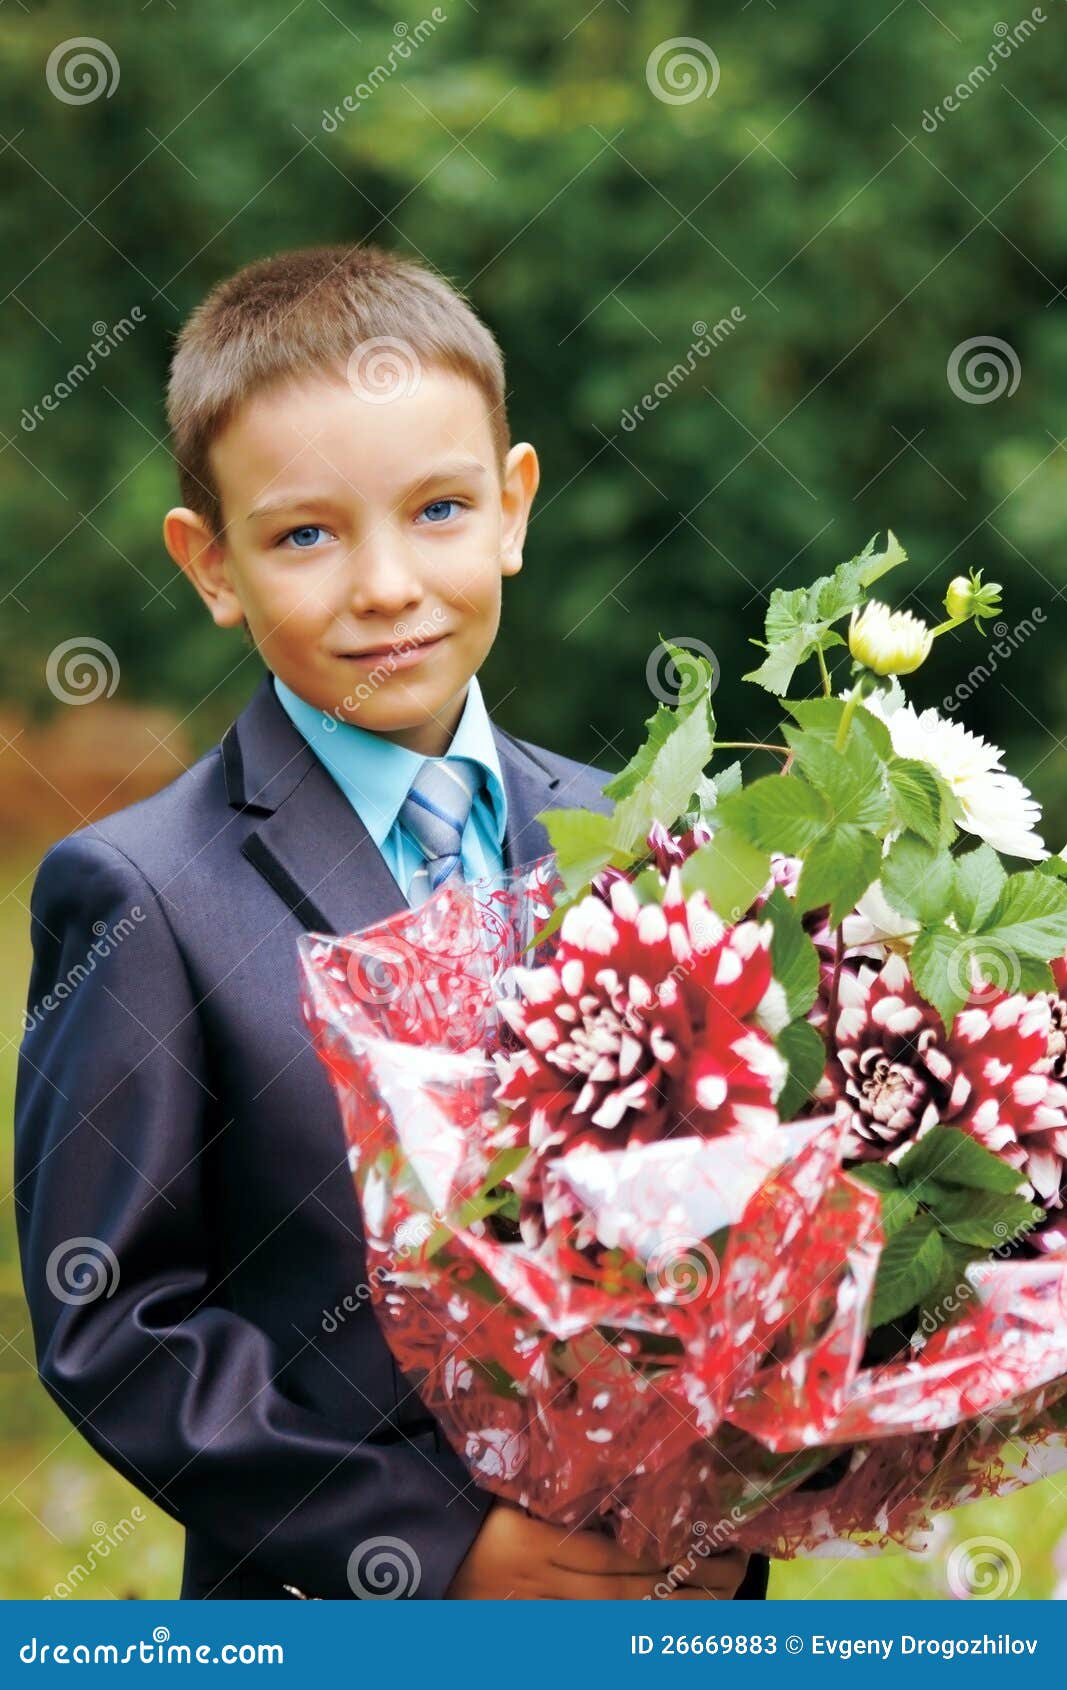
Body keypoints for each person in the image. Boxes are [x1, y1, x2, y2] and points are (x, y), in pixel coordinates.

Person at [14, 243, 767, 1602]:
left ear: (514, 508)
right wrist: (435, 1550)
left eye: (437, 509)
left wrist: (750, 1480)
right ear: (212, 563)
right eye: (305, 532)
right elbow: (116, 1320)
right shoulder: (145, 895)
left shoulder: (646, 835)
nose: (384, 584)